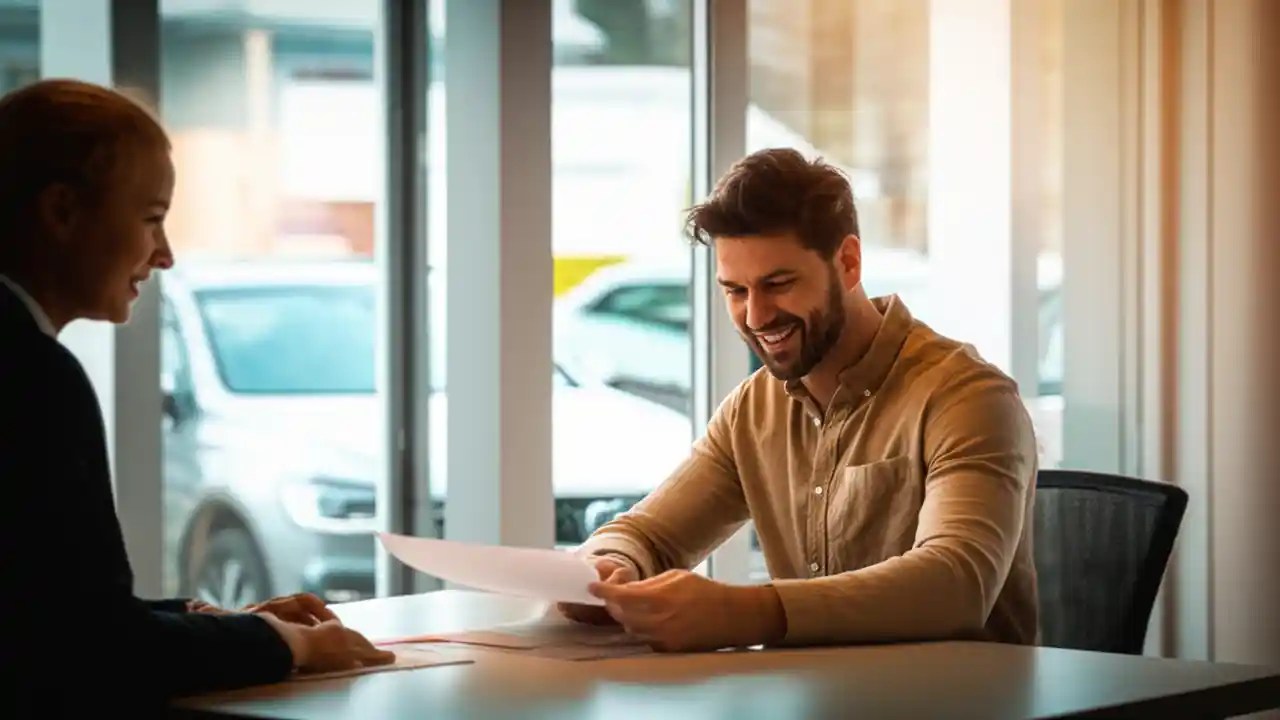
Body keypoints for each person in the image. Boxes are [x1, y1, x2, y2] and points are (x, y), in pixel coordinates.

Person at [0, 78, 393, 710]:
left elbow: (46, 613)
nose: (165, 255)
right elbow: (95, 649)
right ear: (62, 211)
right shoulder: (35, 377)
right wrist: (289, 644)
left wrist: (217, 626)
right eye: (151, 219)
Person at [560, 148, 1039, 652]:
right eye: (736, 291)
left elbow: (955, 584)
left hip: (959, 694)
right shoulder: (753, 411)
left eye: (778, 284)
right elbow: (649, 535)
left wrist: (742, 613)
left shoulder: (967, 398)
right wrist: (609, 568)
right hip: (811, 691)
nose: (756, 316)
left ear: (848, 263)